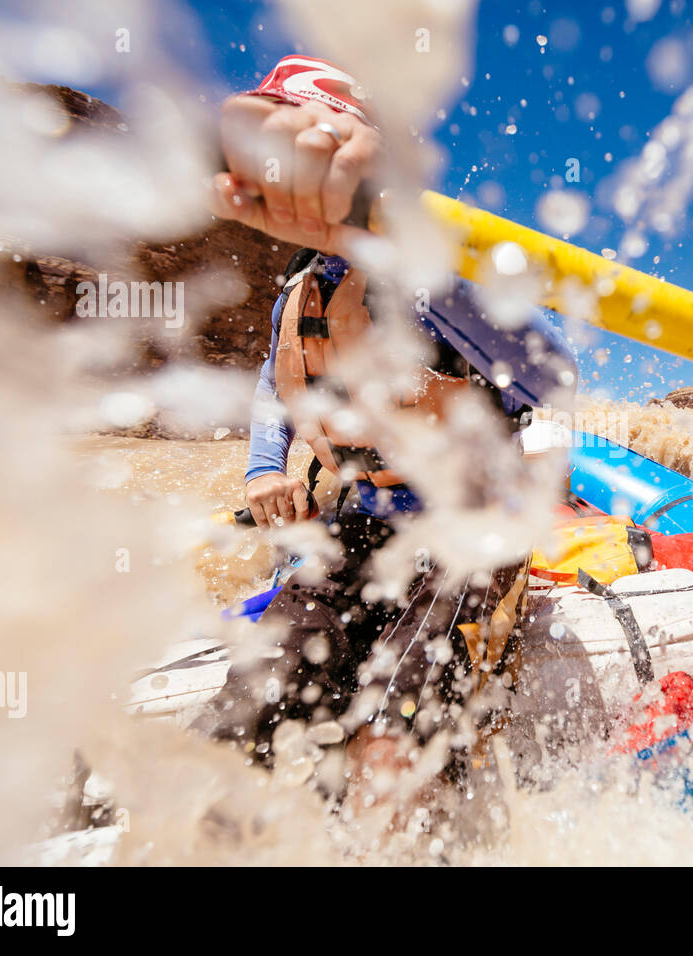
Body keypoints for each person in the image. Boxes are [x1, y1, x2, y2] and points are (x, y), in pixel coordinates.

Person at [197, 54, 576, 814]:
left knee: (391, 739)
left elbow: (551, 378)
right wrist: (261, 472)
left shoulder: (434, 270)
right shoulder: (298, 293)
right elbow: (277, 387)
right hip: (359, 525)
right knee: (245, 710)